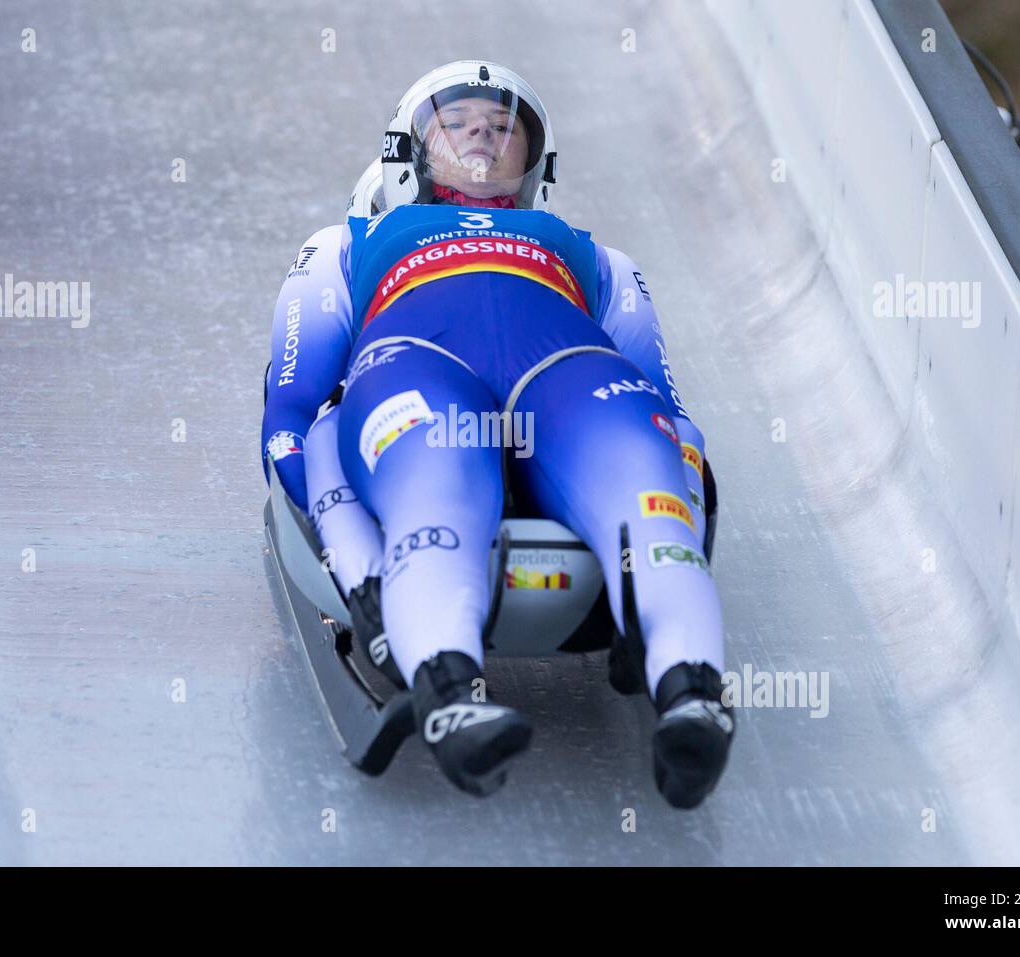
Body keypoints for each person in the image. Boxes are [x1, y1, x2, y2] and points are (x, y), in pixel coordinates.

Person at [261, 61, 733, 806]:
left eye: (505, 123)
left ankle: (692, 693)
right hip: (417, 363)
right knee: (434, 484)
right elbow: (294, 410)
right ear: (407, 156)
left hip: (568, 367)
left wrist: (688, 487)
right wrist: (343, 540)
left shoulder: (601, 260)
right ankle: (451, 692)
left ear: (533, 165)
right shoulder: (347, 243)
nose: (485, 128)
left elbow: (673, 414)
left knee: (648, 466)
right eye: (459, 119)